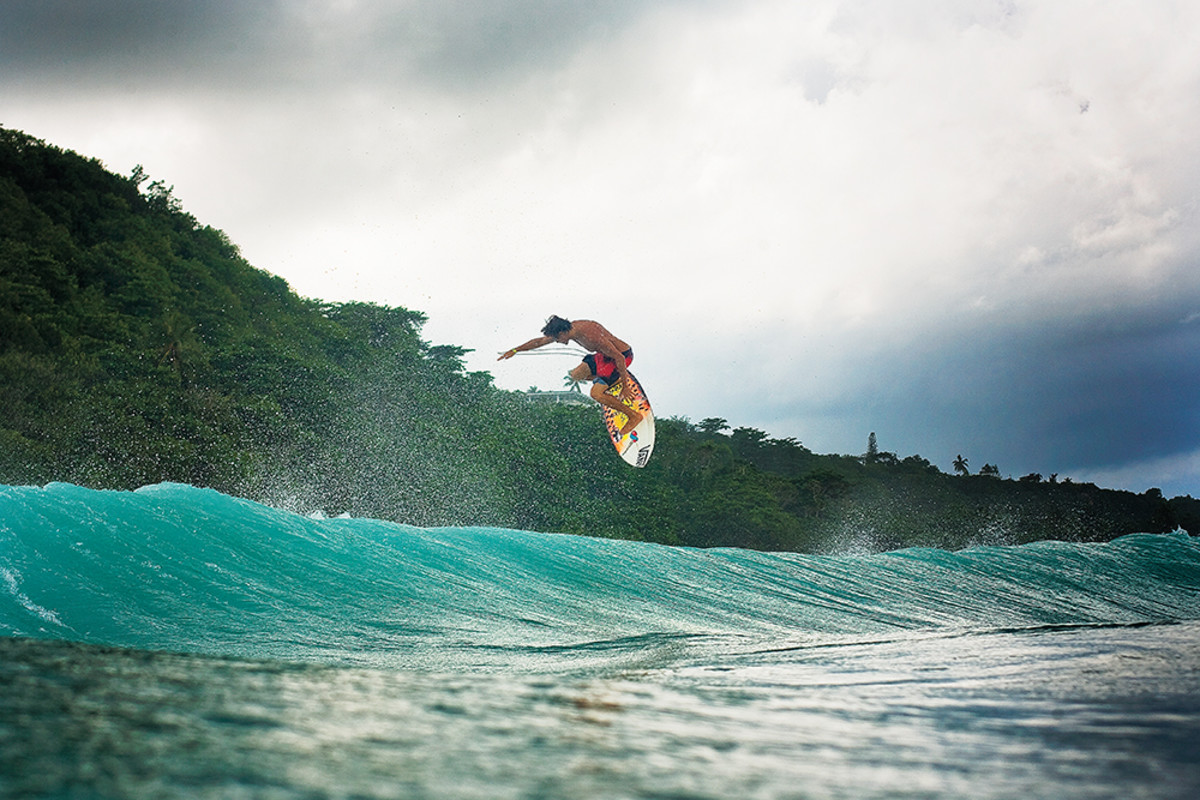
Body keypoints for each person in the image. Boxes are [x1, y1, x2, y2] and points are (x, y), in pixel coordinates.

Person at [498, 316, 643, 436]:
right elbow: (539, 341)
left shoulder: (591, 336)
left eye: (557, 339)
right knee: (575, 375)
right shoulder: (570, 329)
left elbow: (619, 357)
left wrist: (625, 387)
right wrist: (515, 350)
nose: (558, 342)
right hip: (603, 356)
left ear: (562, 333)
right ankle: (609, 379)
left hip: (621, 357)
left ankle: (633, 416)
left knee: (596, 394)